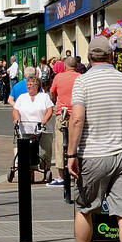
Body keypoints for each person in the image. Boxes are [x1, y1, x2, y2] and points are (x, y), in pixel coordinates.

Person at [63, 35, 122, 242]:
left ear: (88, 58)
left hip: (93, 154)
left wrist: (71, 154)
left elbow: (77, 119)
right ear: (112, 56)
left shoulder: (83, 82)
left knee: (84, 208)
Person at [12, 75, 55, 179]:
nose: (28, 86)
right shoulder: (22, 97)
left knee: (44, 152)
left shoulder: (44, 96)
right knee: (27, 153)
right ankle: (30, 173)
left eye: (31, 84)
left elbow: (50, 110)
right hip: (25, 128)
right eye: (27, 84)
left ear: (37, 85)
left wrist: (44, 121)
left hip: (42, 129)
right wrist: (16, 118)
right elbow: (15, 110)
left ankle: (45, 169)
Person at [50, 59, 81, 188]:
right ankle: (77, 174)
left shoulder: (59, 77)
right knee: (77, 143)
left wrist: (57, 101)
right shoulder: (81, 77)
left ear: (65, 66)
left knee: (60, 143)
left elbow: (52, 93)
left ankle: (61, 176)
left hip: (62, 114)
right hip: (77, 113)